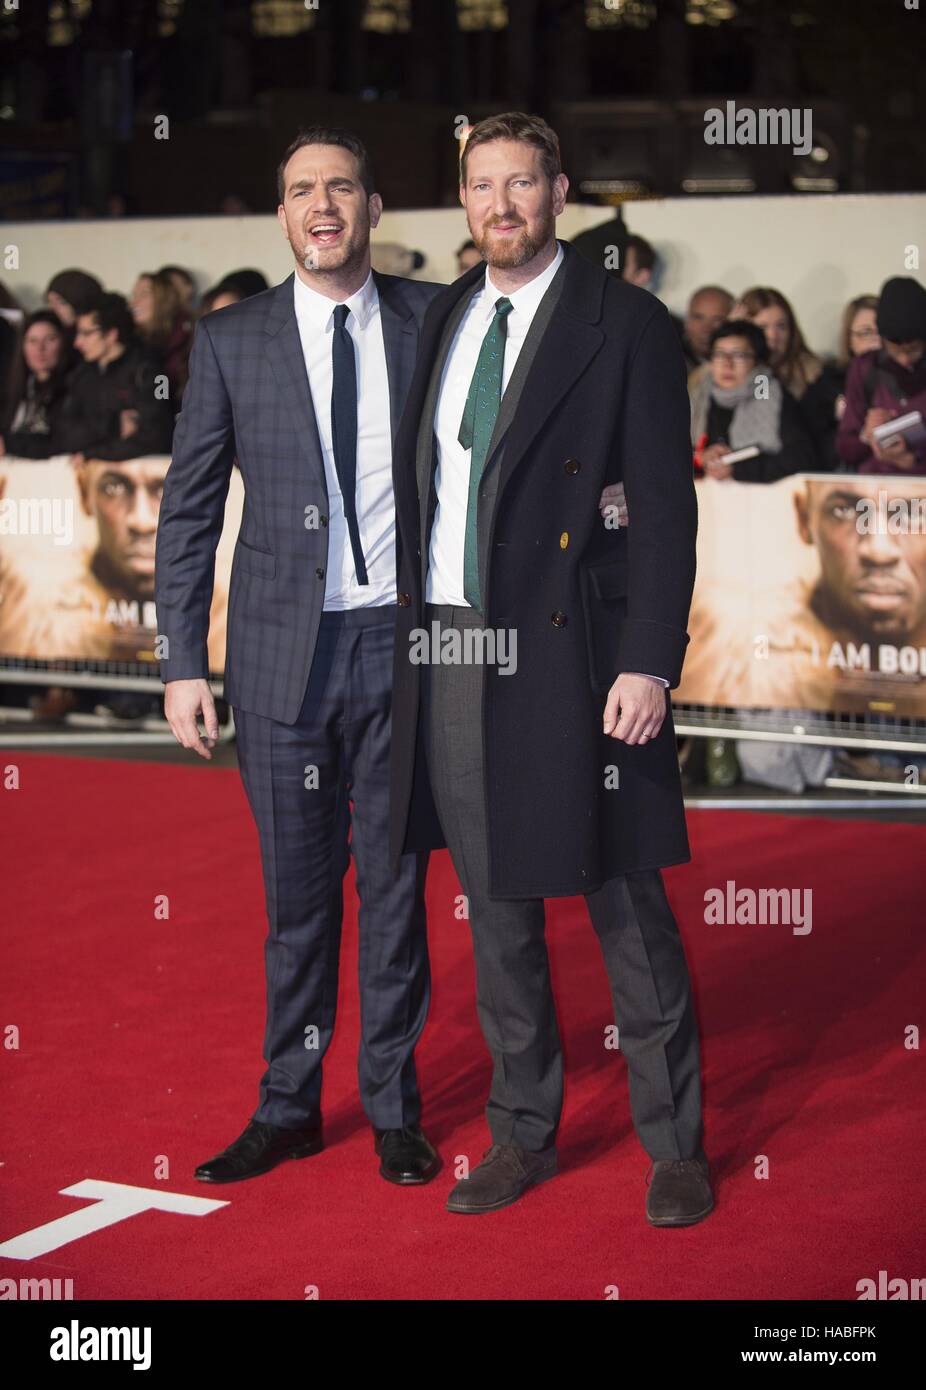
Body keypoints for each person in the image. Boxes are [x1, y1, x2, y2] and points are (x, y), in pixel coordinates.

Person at [387, 111, 711, 1226]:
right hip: (456, 638)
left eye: (520, 185)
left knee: (623, 897)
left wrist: (647, 663)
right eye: (481, 187)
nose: (500, 206)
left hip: (575, 650)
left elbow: (662, 513)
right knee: (497, 903)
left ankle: (673, 1144)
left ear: (556, 192)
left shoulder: (624, 321)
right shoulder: (443, 315)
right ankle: (523, 1130)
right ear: (464, 201)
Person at [155, 127, 445, 1189]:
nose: (320, 206)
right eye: (299, 192)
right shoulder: (231, 340)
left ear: (371, 206)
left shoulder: (431, 320)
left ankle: (393, 1108)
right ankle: (287, 1103)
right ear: (280, 217)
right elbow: (188, 509)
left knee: (399, 894)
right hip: (281, 659)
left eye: (339, 188)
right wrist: (181, 656)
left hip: (403, 652)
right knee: (299, 900)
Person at [690, 319, 817, 483]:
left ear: (757, 361)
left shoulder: (766, 391)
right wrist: (701, 458)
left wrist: (737, 468)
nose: (727, 364)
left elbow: (801, 459)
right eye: (720, 354)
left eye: (739, 355)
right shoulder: (699, 394)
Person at [60, 292, 175, 462]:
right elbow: (64, 432)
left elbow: (158, 435)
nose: (77, 342)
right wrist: (114, 424)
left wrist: (95, 454)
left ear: (111, 335)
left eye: (86, 333)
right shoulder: (81, 375)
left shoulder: (151, 371)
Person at [734, 285, 840, 469]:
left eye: (781, 326)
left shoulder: (816, 375)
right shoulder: (728, 375)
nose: (773, 336)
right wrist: (732, 343)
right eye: (762, 327)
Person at [836, 276, 926, 476]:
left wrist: (911, 461)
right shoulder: (865, 367)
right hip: (875, 491)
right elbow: (845, 447)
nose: (904, 360)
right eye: (896, 351)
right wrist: (866, 436)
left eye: (913, 351)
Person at [0, 310, 73, 459]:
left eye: (50, 339)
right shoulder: (13, 388)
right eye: (32, 341)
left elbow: (62, 441)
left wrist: (9, 444)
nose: (40, 349)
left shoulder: (75, 388)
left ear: (63, 343)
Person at [130, 270, 192, 403]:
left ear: (164, 298)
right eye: (134, 295)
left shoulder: (186, 337)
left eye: (144, 294)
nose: (134, 302)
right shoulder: (130, 340)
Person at [680, 285, 734, 372]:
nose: (706, 329)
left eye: (717, 320)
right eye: (698, 318)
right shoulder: (669, 358)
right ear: (687, 322)